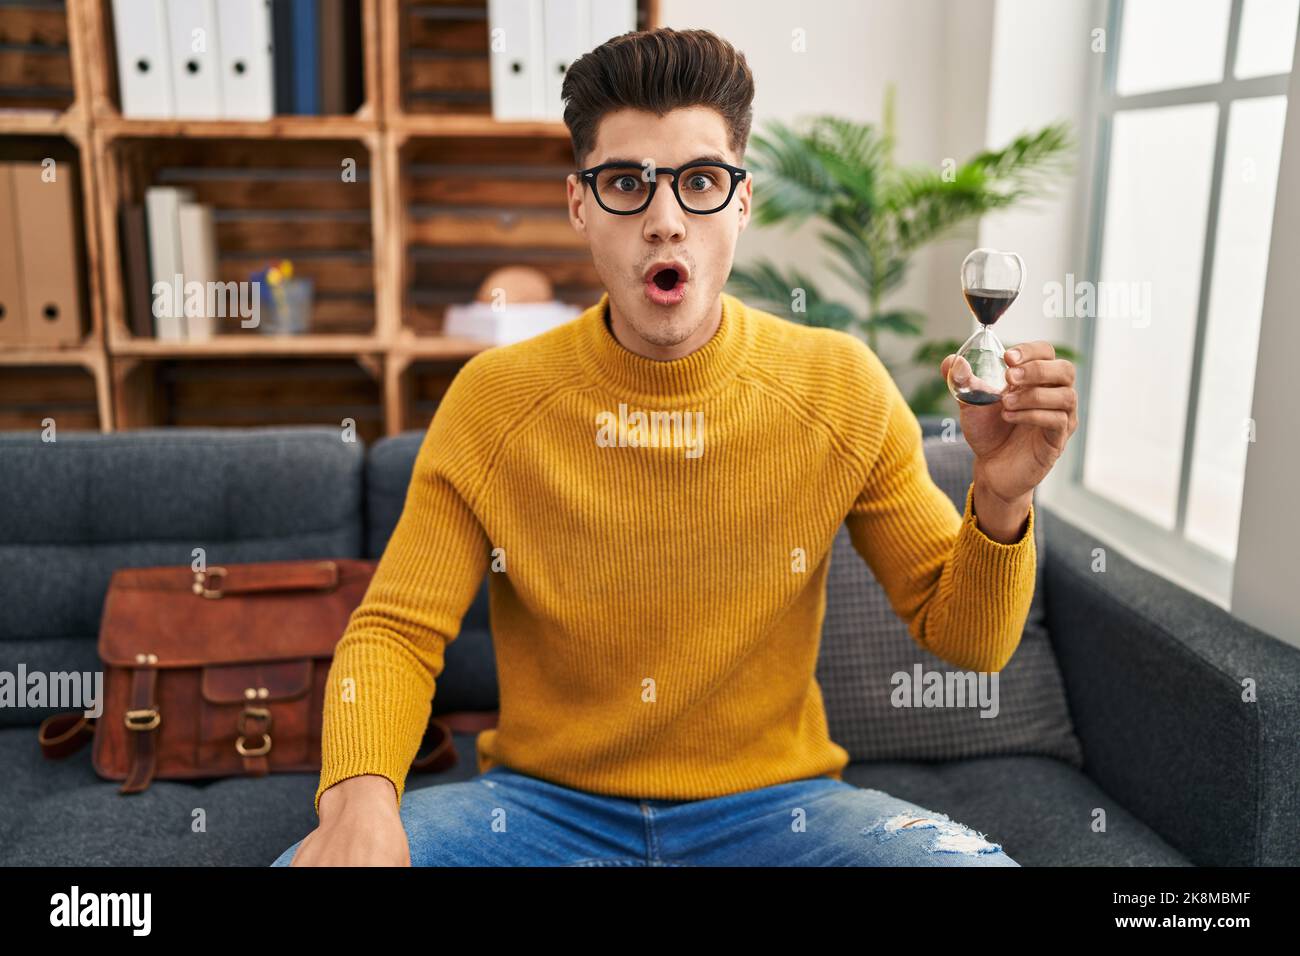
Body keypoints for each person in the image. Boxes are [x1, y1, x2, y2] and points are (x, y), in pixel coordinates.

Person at [272, 27, 1077, 867]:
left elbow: (970, 643)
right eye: (626, 182)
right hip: (540, 815)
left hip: (782, 813)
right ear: (579, 203)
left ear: (742, 201)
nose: (665, 223)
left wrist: (1002, 496)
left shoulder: (840, 385)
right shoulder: (494, 400)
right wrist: (361, 800)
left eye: (699, 182)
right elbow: (395, 633)